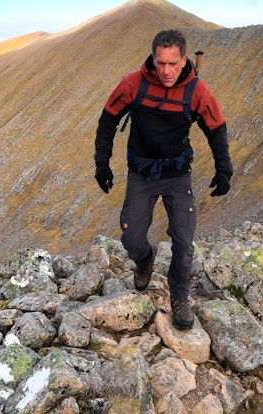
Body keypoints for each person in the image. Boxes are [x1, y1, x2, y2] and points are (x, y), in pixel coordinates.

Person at [94, 29, 233, 330]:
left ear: (184, 60)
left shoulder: (197, 91)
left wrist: (224, 169)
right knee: (131, 238)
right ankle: (145, 260)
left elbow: (216, 130)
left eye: (173, 63)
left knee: (184, 243)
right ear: (153, 59)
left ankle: (180, 296)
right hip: (141, 173)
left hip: (177, 174)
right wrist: (101, 163)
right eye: (161, 63)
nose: (166, 71)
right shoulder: (133, 83)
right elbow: (108, 121)